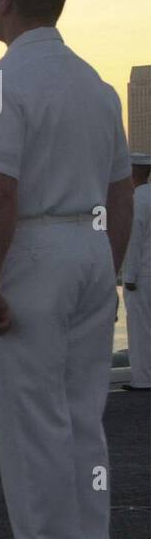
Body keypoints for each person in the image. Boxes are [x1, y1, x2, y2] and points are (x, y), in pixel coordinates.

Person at [0, 0, 133, 539]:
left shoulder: (0, 84)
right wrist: (109, 273)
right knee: (82, 419)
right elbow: (121, 193)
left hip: (34, 248)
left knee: (33, 420)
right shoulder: (96, 86)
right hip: (93, 249)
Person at [123, 152, 151, 392]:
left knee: (141, 329)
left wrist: (129, 276)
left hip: (143, 275)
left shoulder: (136, 200)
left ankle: (142, 379)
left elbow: (134, 240)